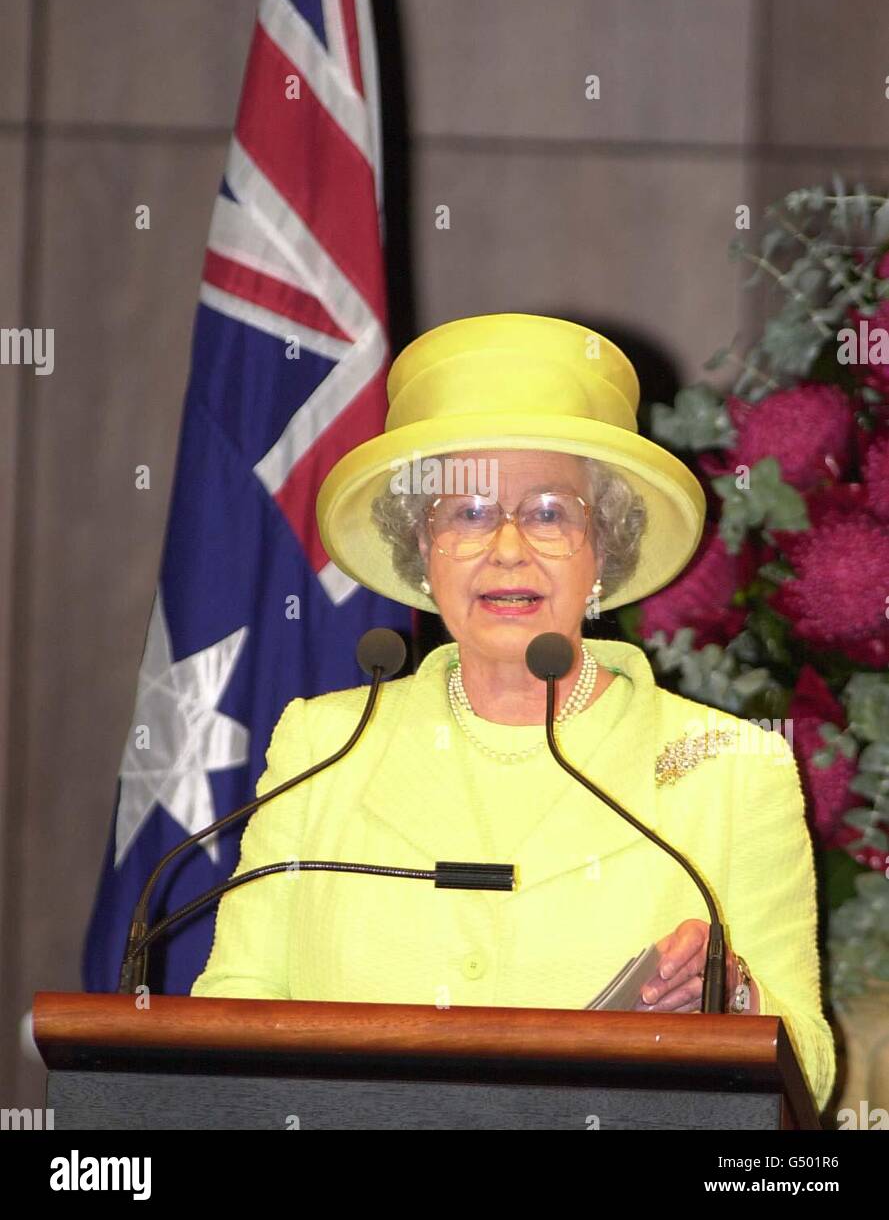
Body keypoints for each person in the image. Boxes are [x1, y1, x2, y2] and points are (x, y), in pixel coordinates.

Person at [190, 312, 836, 1113]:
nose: (505, 548)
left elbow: (808, 1069)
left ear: (604, 548)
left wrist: (730, 996)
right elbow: (233, 1009)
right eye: (465, 513)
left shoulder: (728, 768)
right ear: (420, 547)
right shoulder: (323, 746)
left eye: (548, 512)